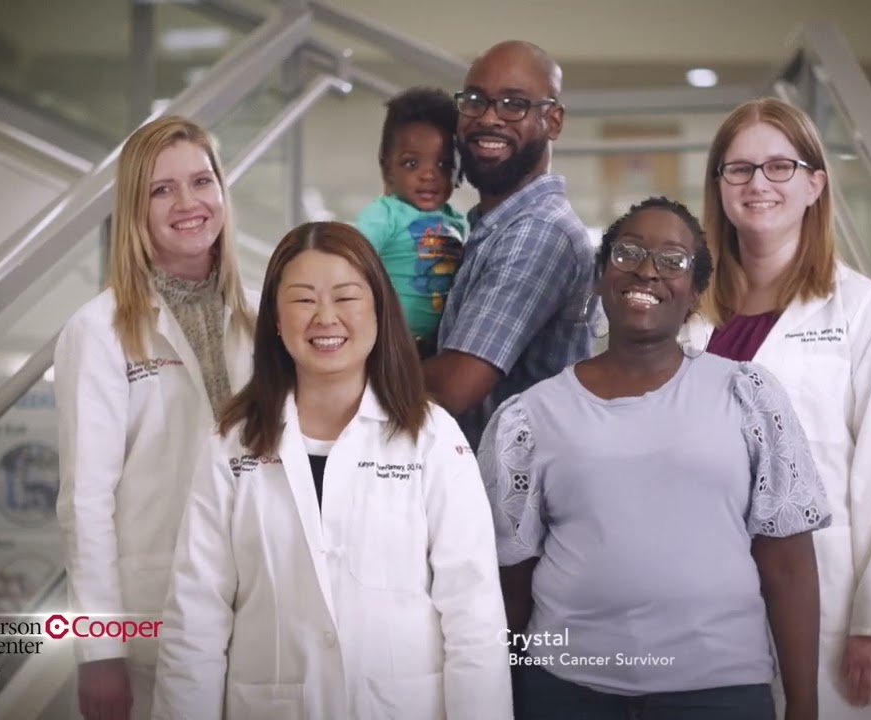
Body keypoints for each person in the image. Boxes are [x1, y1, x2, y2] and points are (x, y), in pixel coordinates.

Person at [479, 197, 830, 720]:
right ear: (601, 277)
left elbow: (789, 565)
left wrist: (804, 704)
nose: (647, 269)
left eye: (673, 261)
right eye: (629, 253)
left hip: (719, 689)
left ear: (693, 293)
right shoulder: (528, 416)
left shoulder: (746, 393)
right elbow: (510, 580)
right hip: (566, 690)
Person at [152, 222, 514, 720]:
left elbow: (473, 611)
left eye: (346, 297)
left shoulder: (431, 437)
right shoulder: (232, 441)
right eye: (303, 300)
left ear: (379, 311)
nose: (325, 318)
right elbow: (196, 615)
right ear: (276, 320)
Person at [684, 97, 871, 718]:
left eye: (779, 167)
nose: (758, 183)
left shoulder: (861, 310)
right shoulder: (687, 308)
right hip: (705, 591)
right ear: (719, 186)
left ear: (816, 183)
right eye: (738, 169)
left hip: (829, 594)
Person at [54, 116, 258, 720]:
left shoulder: (266, 311)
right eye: (162, 189)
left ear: (223, 190)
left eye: (201, 181)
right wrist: (98, 651)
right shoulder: (98, 331)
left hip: (259, 602)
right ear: (134, 208)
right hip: (156, 609)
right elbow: (85, 503)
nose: (188, 203)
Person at [423, 40, 594, 448]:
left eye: (513, 104)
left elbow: (453, 388)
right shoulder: (492, 230)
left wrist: (340, 370)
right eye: (476, 100)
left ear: (553, 121)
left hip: (517, 505)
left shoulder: (538, 231)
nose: (488, 118)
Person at [355, 86, 467, 359]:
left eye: (443, 165)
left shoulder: (458, 221)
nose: (428, 175)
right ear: (386, 168)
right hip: (385, 345)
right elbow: (349, 260)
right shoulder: (385, 214)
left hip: (435, 349)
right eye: (411, 164)